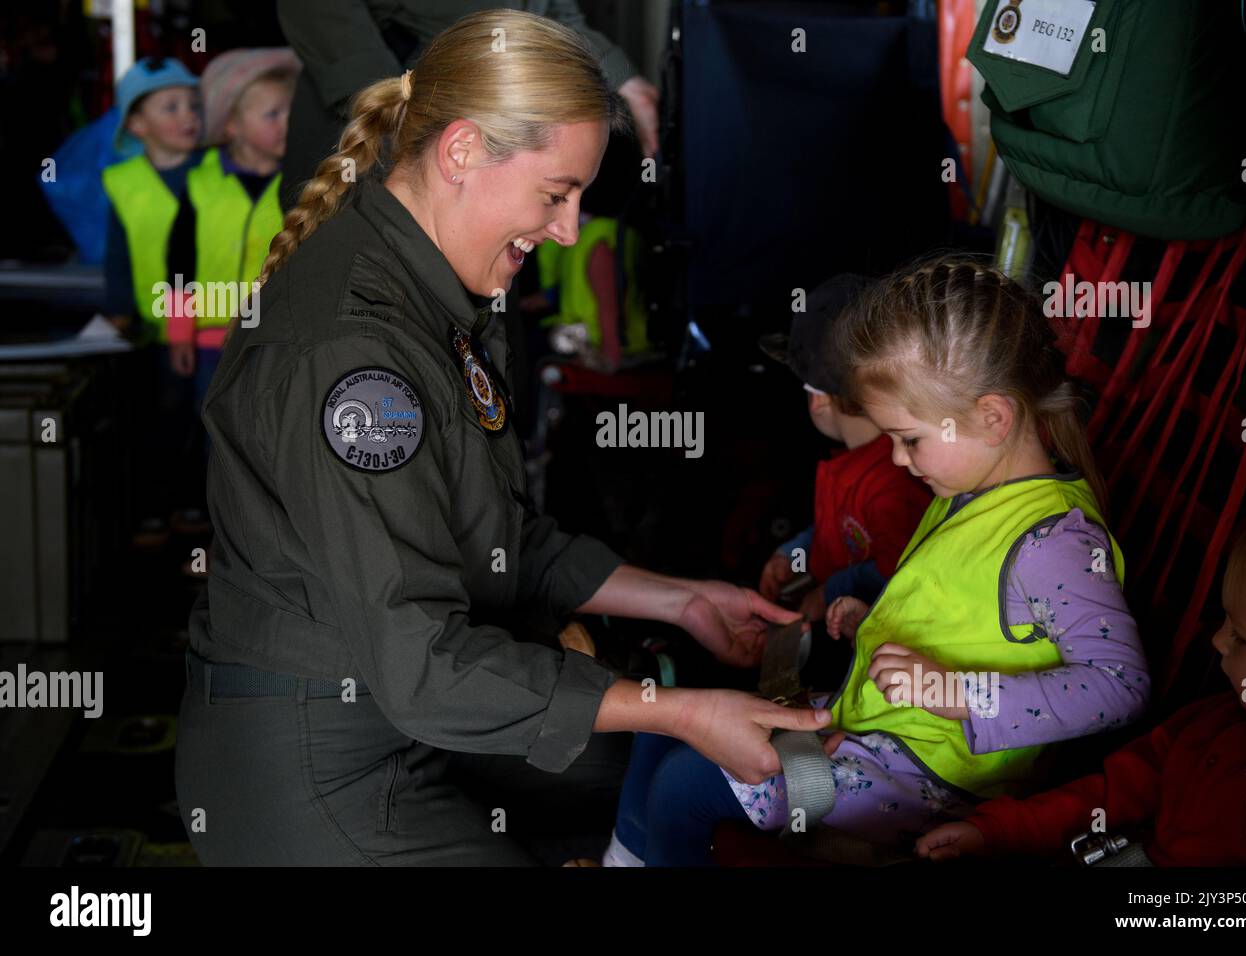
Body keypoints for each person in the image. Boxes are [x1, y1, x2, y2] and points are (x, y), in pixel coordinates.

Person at [173, 10, 825, 867]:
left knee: (658, 768)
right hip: (320, 767)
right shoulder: (354, 354)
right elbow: (423, 664)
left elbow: (492, 539)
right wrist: (673, 707)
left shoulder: (437, 289)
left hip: (405, 714)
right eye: (557, 193)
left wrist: (680, 600)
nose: (566, 228)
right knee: (668, 741)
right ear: (462, 152)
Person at [604, 258, 1150, 866]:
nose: (895, 460)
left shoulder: (1054, 542)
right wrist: (878, 618)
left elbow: (1119, 688)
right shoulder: (972, 491)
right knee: (669, 725)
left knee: (685, 784)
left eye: (909, 439)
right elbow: (969, 609)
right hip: (879, 731)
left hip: (930, 781)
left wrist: (960, 692)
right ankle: (624, 858)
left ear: (993, 418)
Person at [917, 505, 1246, 866]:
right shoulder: (1207, 724)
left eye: (1243, 638)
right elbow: (1106, 796)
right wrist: (995, 830)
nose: (1217, 640)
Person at [275, 0, 661, 213]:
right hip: (382, 122)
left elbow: (550, 11)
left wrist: (619, 76)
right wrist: (390, 102)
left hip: (488, 133)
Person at [756, 273, 931, 621]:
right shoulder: (858, 463)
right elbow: (838, 531)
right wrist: (794, 554)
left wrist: (831, 592)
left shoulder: (893, 485)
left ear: (818, 400)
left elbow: (899, 571)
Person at [100, 56, 205, 548]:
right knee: (154, 419)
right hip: (149, 326)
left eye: (192, 105)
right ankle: (151, 507)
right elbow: (118, 256)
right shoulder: (124, 185)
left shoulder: (214, 175)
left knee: (202, 419)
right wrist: (119, 308)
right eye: (170, 107)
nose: (188, 116)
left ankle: (193, 504)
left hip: (210, 325)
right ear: (137, 126)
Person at [166, 48, 300, 427]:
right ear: (231, 126)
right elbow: (179, 266)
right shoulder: (199, 185)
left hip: (276, 343)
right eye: (273, 114)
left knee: (274, 433)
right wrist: (179, 333)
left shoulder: (301, 185)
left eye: (291, 112)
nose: (287, 123)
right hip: (212, 344)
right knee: (217, 434)